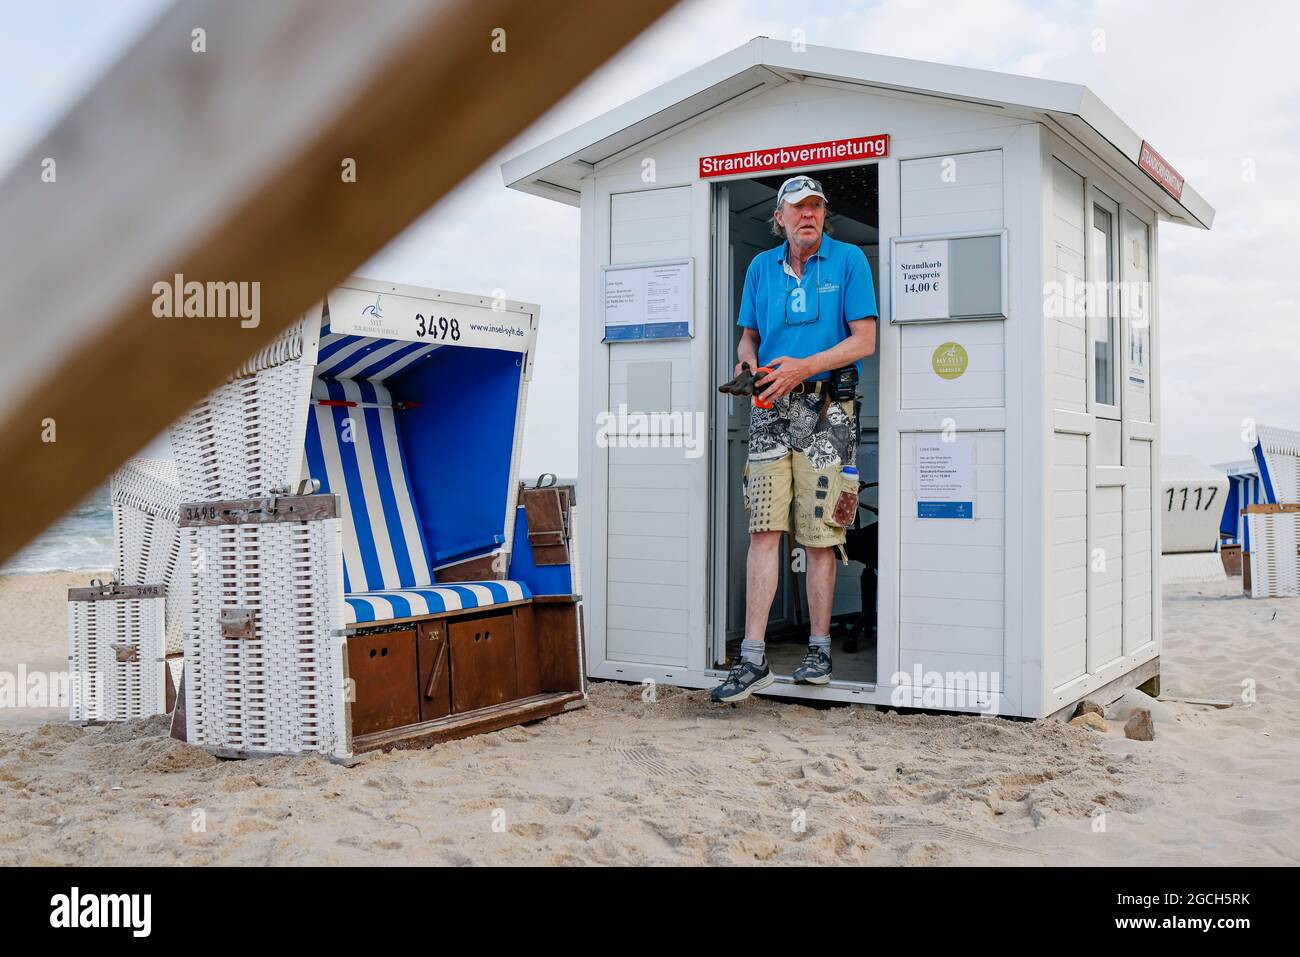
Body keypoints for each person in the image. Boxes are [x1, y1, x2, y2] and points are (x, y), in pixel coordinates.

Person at [711, 174, 878, 704]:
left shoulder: (849, 259)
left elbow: (866, 340)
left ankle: (819, 649)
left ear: (823, 215)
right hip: (769, 407)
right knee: (763, 529)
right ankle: (754, 659)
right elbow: (749, 335)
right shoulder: (761, 267)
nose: (808, 215)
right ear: (778, 217)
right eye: (797, 208)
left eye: (815, 207)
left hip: (829, 411)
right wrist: (746, 360)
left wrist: (804, 366)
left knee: (822, 533)